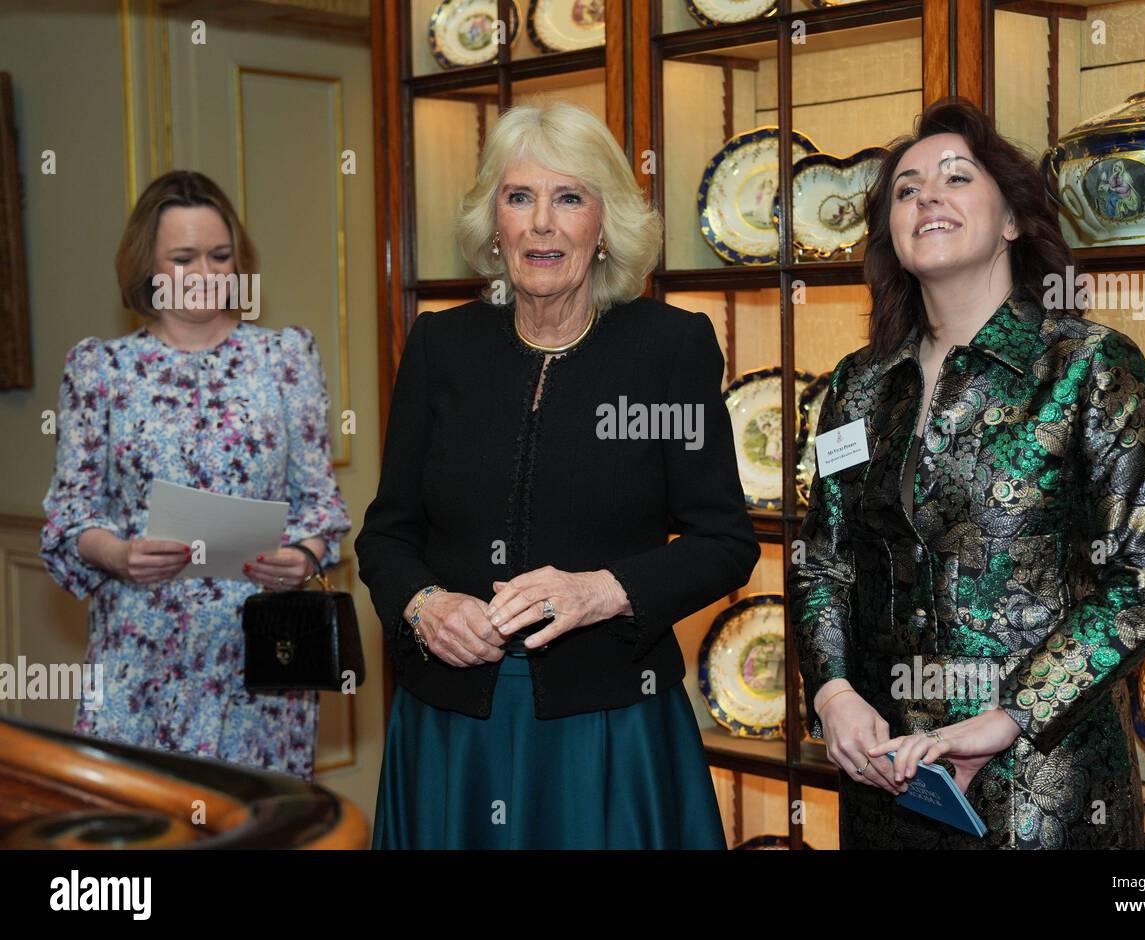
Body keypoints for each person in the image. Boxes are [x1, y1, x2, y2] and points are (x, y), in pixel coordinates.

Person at [357, 101, 759, 849]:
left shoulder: (668, 349)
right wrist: (421, 606)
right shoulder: (442, 346)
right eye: (519, 197)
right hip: (450, 730)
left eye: (568, 197)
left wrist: (600, 592)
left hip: (608, 727)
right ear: (495, 223)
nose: (541, 223)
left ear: (604, 224)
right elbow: (386, 537)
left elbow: (723, 541)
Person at [788, 97, 1145, 849]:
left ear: (1011, 221)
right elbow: (823, 561)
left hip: (1043, 782)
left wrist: (1008, 719)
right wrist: (835, 693)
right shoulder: (859, 384)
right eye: (905, 190)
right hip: (892, 780)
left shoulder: (1087, 365)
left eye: (955, 178)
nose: (925, 197)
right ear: (892, 235)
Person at [39, 170, 351, 779]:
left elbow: (321, 509)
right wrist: (118, 553)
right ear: (147, 267)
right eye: (183, 259)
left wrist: (307, 556)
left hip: (264, 665)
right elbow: (69, 516)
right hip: (138, 658)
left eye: (219, 255)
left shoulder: (285, 358)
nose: (206, 274)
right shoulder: (101, 369)